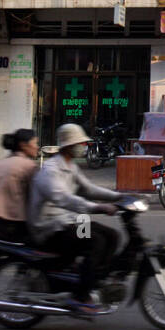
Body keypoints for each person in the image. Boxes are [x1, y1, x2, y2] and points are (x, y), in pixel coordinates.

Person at [28, 124, 124, 315]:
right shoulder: (50, 170)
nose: (83, 146)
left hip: (70, 221)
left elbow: (89, 188)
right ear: (68, 145)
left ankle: (91, 279)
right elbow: (64, 198)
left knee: (111, 235)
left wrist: (118, 196)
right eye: (79, 143)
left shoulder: (71, 166)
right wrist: (98, 207)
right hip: (50, 227)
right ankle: (79, 296)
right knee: (95, 242)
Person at [0, 128, 40, 243]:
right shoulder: (29, 166)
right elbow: (37, 194)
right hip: (17, 223)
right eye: (35, 143)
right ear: (24, 145)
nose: (37, 147)